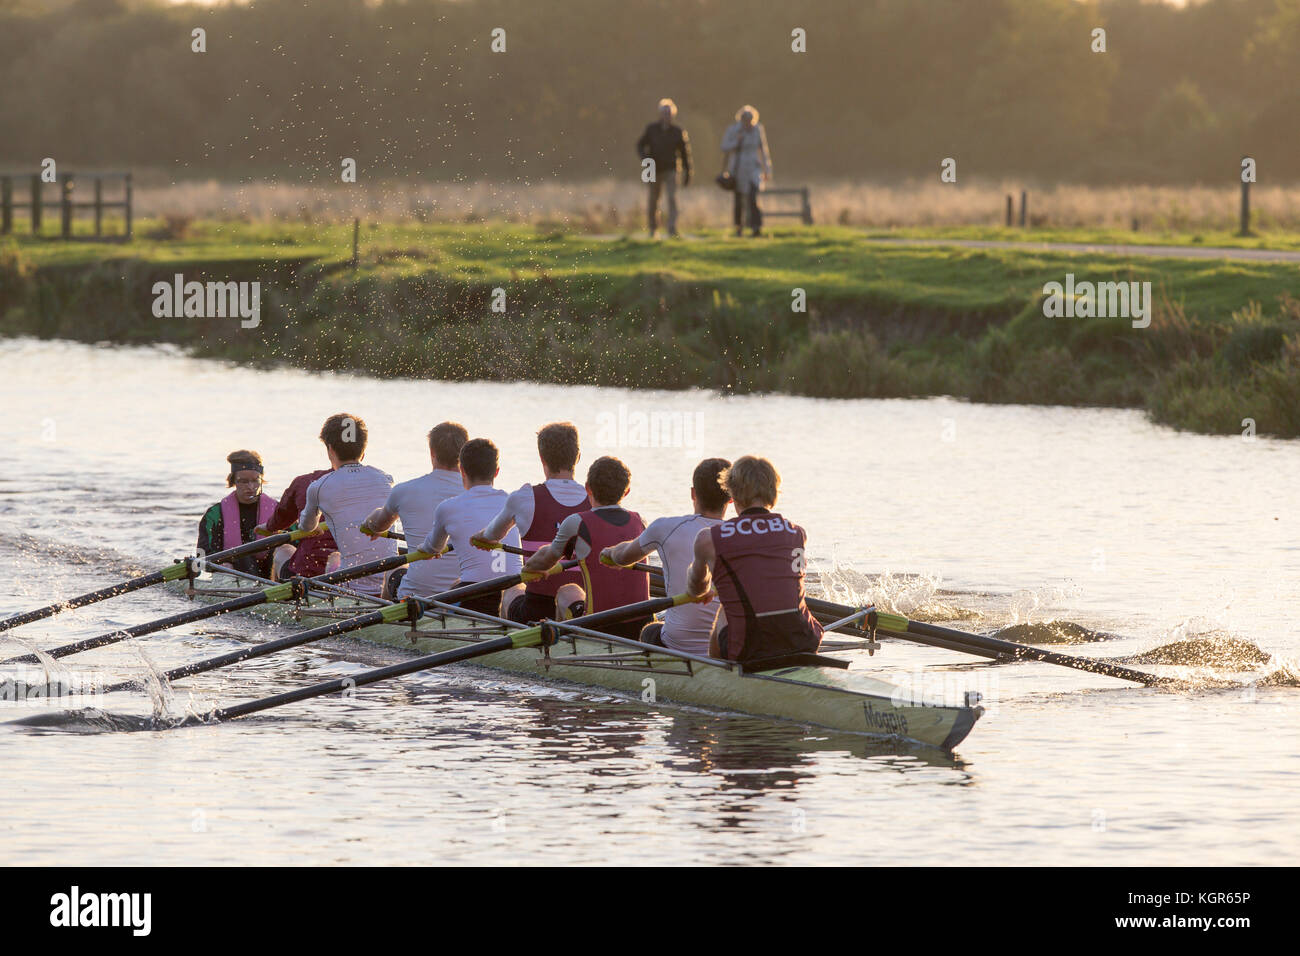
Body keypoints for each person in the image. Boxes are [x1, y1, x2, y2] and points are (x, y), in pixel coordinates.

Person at [685, 456, 823, 665]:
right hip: (805, 639)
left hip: (748, 648)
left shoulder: (708, 538)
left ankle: (721, 676)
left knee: (725, 606)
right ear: (773, 492)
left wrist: (712, 585)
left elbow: (696, 591)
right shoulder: (797, 532)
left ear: (732, 492)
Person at [600, 457, 730, 656]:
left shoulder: (665, 527)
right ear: (731, 497)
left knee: (650, 630)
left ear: (693, 493)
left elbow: (624, 556)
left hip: (678, 644)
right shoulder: (743, 535)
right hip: (727, 643)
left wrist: (610, 552)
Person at [521, 456, 650, 641]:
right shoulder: (641, 522)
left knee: (567, 591)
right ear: (626, 491)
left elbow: (544, 561)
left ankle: (561, 649)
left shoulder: (577, 522)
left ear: (587, 488)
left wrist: (528, 569)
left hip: (598, 627)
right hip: (640, 628)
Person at [473, 422, 590, 625]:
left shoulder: (525, 497)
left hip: (536, 610)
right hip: (585, 605)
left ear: (541, 458)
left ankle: (508, 645)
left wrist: (478, 538)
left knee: (511, 589)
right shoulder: (596, 500)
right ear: (578, 456)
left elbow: (491, 536)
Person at [361, 422, 468, 600]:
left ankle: (388, 622)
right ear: (465, 454)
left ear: (432, 453)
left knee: (393, 569)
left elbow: (378, 525)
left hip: (416, 595)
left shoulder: (403, 490)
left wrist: (369, 524)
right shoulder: (478, 496)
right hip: (464, 594)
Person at [417, 438, 523, 616]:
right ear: (496, 472)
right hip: (512, 596)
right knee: (455, 584)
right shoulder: (515, 503)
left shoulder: (447, 507)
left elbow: (432, 549)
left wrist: (422, 548)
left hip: (473, 596)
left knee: (451, 590)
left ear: (462, 470)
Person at [298, 413, 397, 596]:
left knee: (332, 558)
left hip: (353, 589)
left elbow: (306, 527)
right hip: (390, 585)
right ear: (363, 451)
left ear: (330, 450)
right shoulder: (385, 478)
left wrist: (315, 525)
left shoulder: (318, 487)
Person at [196, 450, 279, 577]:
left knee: (285, 550)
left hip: (271, 571)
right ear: (233, 481)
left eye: (256, 480)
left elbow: (296, 545)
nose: (251, 487)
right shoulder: (214, 514)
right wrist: (222, 564)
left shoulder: (279, 511)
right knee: (242, 555)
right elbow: (202, 555)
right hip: (231, 571)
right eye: (244, 481)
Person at [256, 464, 337, 581]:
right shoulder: (372, 482)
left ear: (330, 451)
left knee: (283, 550)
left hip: (306, 572)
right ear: (363, 455)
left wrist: (269, 526)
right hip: (357, 570)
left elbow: (282, 518)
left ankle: (283, 593)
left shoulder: (305, 482)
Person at [636, 98, 692, 238]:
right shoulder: (651, 129)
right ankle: (653, 229)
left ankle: (672, 228)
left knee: (672, 198)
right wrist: (645, 159)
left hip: (672, 168)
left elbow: (685, 153)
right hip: (652, 168)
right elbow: (640, 145)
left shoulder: (678, 132)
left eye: (669, 113)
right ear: (660, 114)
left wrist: (688, 171)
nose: (667, 115)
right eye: (664, 113)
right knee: (653, 199)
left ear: (673, 114)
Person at [720, 105, 772, 237]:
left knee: (753, 198)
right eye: (745, 119)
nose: (748, 122)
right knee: (738, 200)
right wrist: (736, 142)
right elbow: (724, 146)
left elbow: (763, 150)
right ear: (741, 119)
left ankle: (756, 228)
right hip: (737, 169)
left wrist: (767, 169)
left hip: (754, 168)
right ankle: (738, 227)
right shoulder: (733, 130)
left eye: (750, 119)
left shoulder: (758, 130)